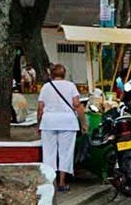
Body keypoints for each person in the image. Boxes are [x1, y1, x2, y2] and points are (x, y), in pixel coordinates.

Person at [37, 64, 87, 193]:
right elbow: (77, 105)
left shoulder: (46, 87)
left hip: (48, 122)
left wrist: (39, 124)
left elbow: (40, 108)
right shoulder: (70, 86)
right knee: (65, 153)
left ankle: (50, 183)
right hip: (67, 122)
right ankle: (62, 182)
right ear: (64, 74)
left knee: (49, 153)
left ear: (51, 75)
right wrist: (83, 123)